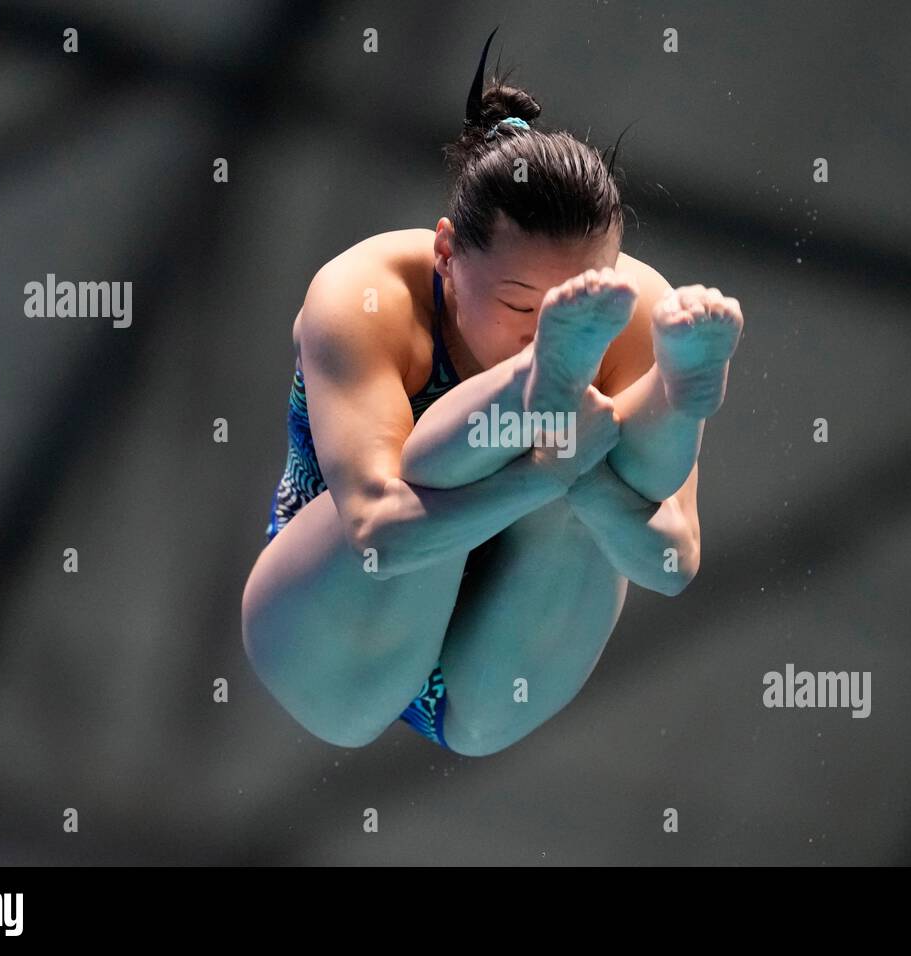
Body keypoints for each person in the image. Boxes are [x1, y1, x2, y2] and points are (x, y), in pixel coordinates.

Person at [241, 31, 744, 757]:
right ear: (445, 254)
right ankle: (539, 394)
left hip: (487, 685)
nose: (539, 327)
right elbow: (379, 530)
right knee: (445, 465)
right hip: (333, 632)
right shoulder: (366, 293)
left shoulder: (637, 306)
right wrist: (554, 471)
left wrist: (591, 469)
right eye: (520, 309)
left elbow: (671, 563)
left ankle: (678, 395)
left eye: (563, 312)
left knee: (600, 504)